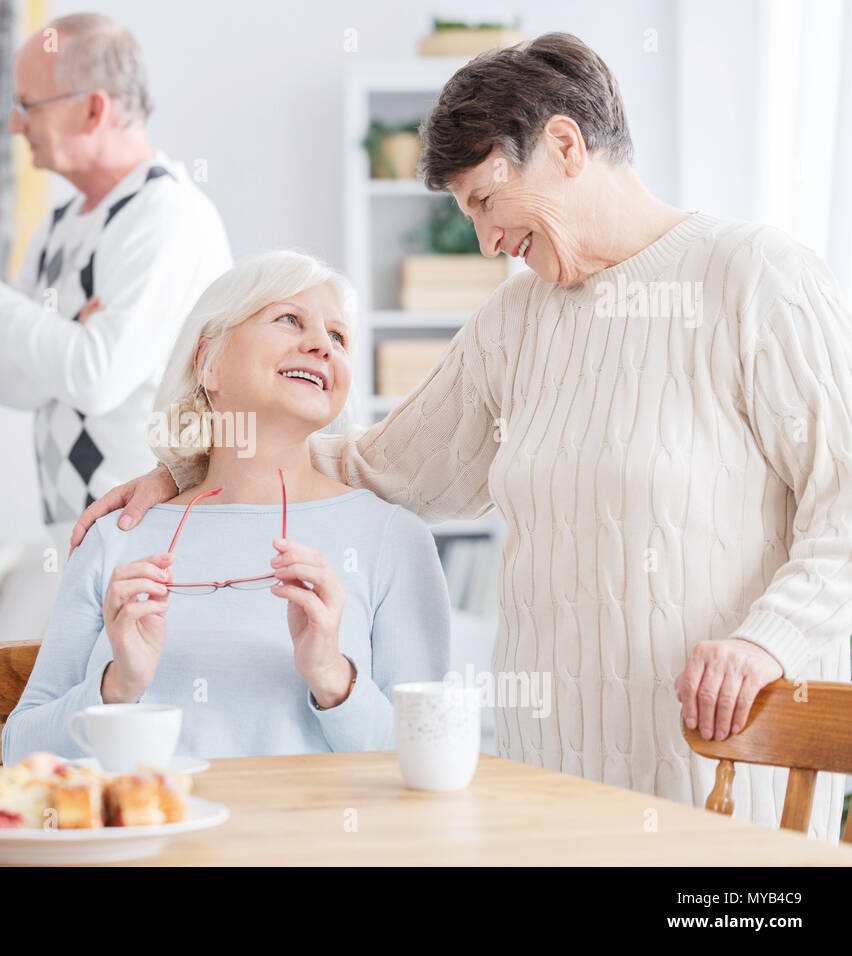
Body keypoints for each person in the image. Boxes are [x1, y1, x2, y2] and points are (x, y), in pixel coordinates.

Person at [72, 34, 852, 839]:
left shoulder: (755, 278)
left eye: (485, 201)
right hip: (549, 779)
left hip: (720, 759)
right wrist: (197, 470)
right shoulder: (513, 322)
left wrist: (767, 641)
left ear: (563, 145)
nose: (486, 242)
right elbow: (386, 467)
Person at [2, 252, 449, 762]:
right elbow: (21, 751)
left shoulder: (395, 539)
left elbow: (429, 760)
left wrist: (332, 676)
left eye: (339, 337)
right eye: (289, 319)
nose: (322, 346)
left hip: (317, 840)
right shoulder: (118, 535)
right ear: (207, 362)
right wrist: (116, 688)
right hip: (153, 835)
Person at [0, 12, 232, 550]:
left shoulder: (167, 215)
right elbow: (2, 379)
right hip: (82, 532)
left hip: (153, 533)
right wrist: (64, 336)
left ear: (93, 108)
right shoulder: (60, 222)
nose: (14, 124)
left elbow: (93, 378)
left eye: (28, 105)